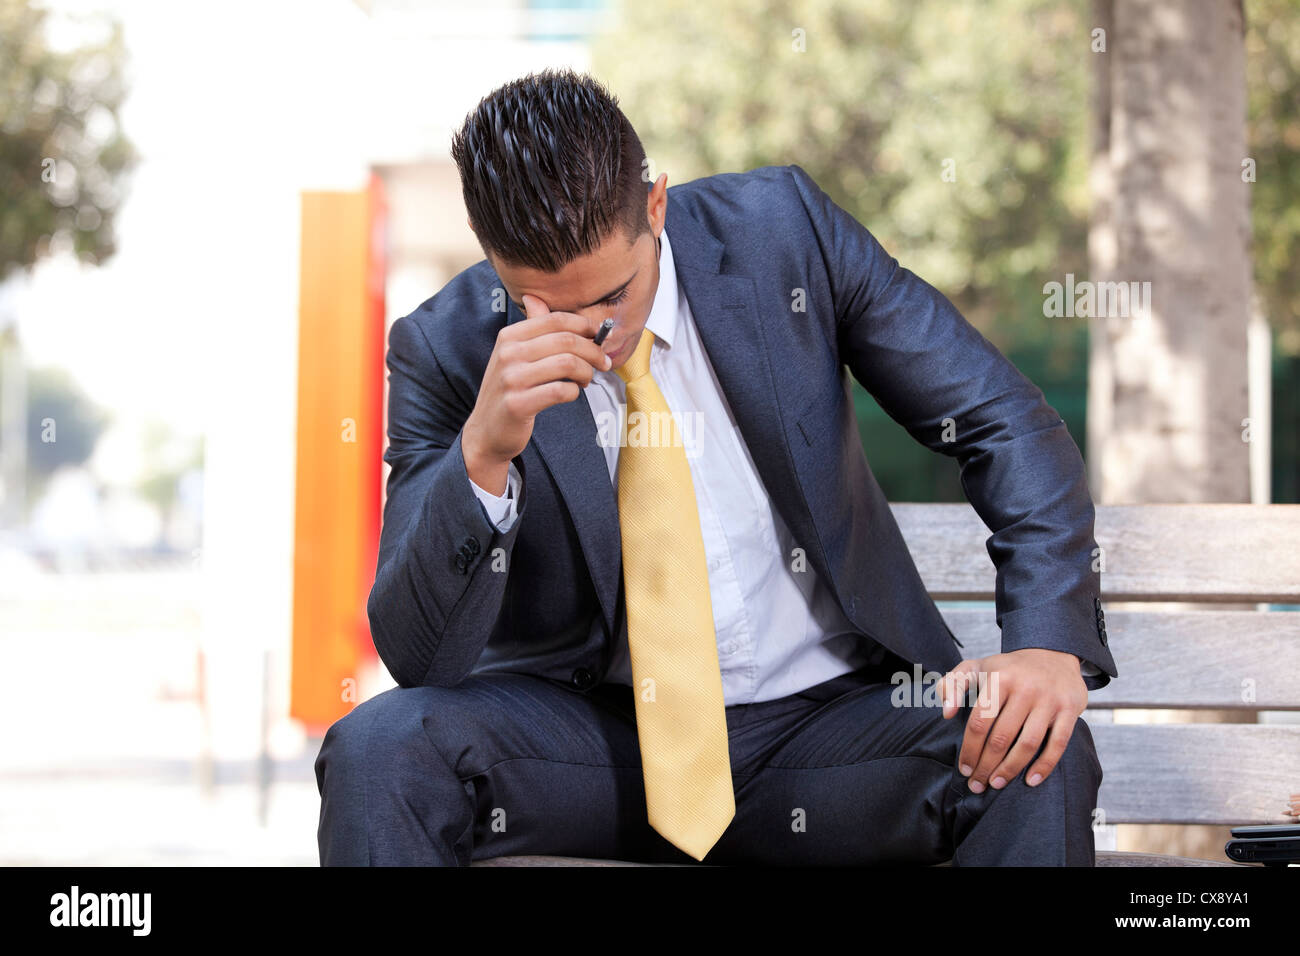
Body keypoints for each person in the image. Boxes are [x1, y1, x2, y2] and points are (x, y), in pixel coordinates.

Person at [314, 67, 1117, 866]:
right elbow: (419, 657)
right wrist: (482, 453)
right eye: (550, 309)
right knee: (379, 749)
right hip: (597, 752)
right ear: (493, 260)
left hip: (829, 737)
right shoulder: (446, 348)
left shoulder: (782, 234)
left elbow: (1000, 420)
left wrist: (1046, 644)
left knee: (1034, 760)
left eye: (613, 296)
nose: (594, 336)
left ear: (656, 204)